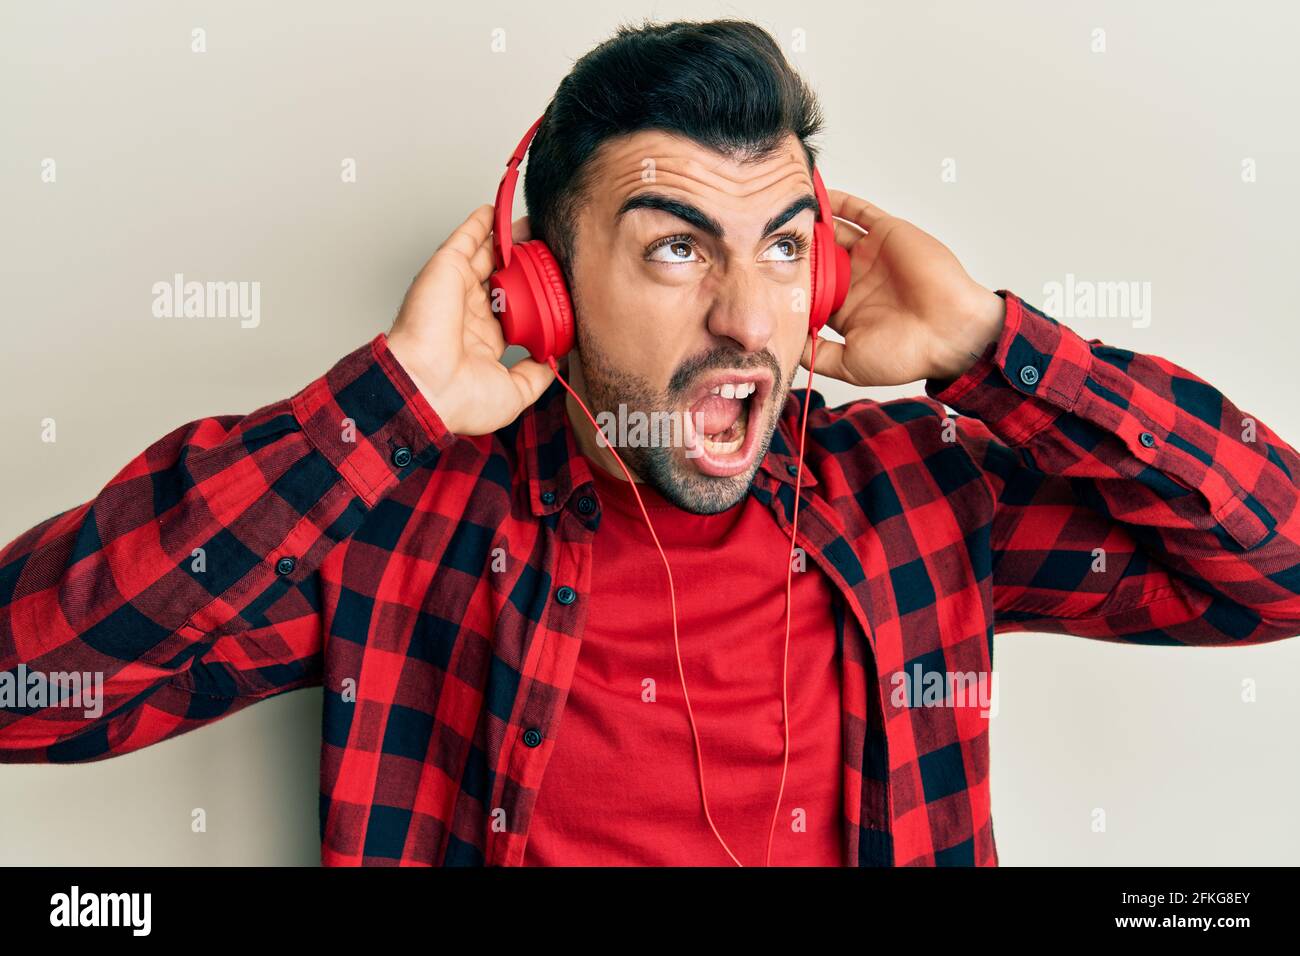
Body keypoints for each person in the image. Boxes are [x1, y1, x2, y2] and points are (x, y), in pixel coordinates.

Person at [3, 18, 1298, 867]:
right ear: (543, 286)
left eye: (784, 249)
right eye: (677, 249)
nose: (747, 318)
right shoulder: (401, 528)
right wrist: (383, 407)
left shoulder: (924, 499)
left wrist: (998, 348)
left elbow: (1278, 565)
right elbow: (26, 692)